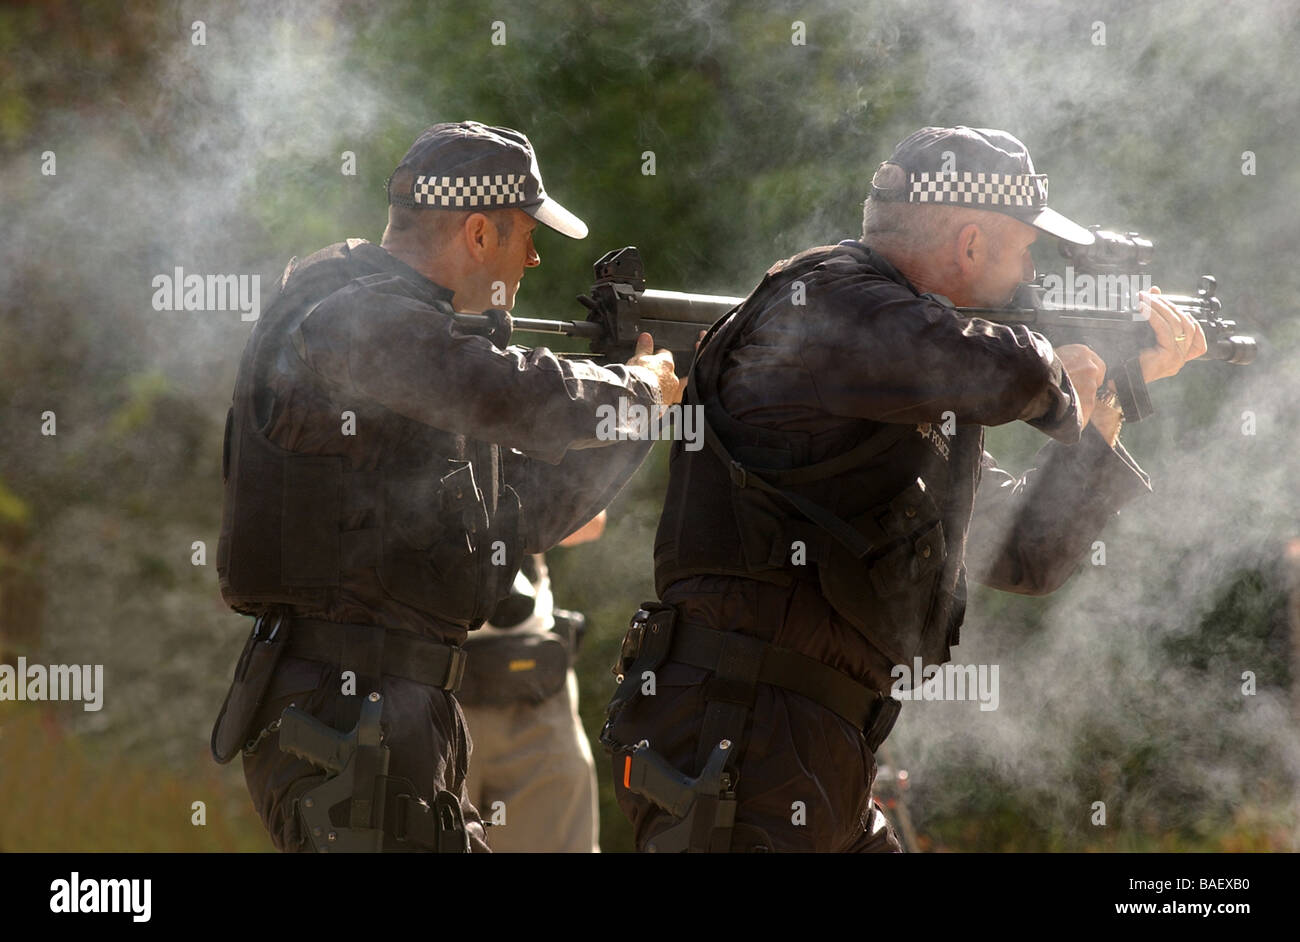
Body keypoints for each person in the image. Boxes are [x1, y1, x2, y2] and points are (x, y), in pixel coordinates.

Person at [603, 126, 1207, 853]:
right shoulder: (825, 295)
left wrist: (1106, 394)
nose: (1028, 274)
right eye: (1023, 249)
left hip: (813, 745)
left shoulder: (903, 383)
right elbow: (1013, 373)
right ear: (972, 242)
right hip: (741, 731)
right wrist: (1065, 370)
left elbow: (1025, 552)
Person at [209, 121, 684, 853]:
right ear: (476, 233)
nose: (530, 257)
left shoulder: (421, 358)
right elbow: (504, 389)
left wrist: (635, 421)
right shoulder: (348, 313)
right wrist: (633, 391)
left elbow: (522, 520)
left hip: (388, 715)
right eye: (525, 234)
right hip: (347, 713)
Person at [460, 512, 606, 853]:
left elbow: (591, 521)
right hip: (421, 687)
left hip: (533, 692)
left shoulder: (524, 454)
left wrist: (509, 483)